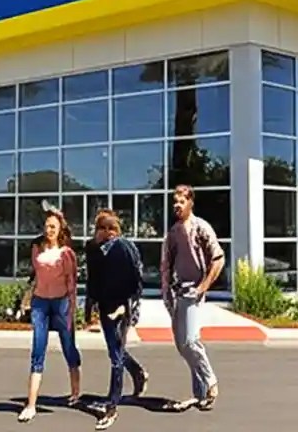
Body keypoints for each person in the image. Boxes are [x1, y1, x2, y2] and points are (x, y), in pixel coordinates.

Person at [159, 184, 224, 412]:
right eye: (175, 202)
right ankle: (200, 393)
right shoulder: (174, 232)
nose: (177, 205)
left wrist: (203, 287)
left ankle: (211, 382)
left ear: (190, 203)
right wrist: (166, 294)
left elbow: (218, 259)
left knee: (190, 341)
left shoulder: (201, 227)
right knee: (181, 345)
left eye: (181, 201)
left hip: (193, 292)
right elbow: (166, 265)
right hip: (177, 293)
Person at [84, 209, 149, 430]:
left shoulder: (123, 247)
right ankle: (138, 372)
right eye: (101, 228)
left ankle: (112, 405)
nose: (106, 233)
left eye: (110, 228)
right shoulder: (92, 248)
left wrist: (128, 305)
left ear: (116, 230)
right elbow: (93, 278)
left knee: (115, 356)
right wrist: (89, 305)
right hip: (104, 304)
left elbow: (136, 279)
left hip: (122, 306)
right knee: (115, 350)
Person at [18, 209, 82, 423]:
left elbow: (72, 285)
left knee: (68, 345)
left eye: (53, 226)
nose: (49, 230)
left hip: (61, 302)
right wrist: (26, 300)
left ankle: (75, 393)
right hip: (40, 303)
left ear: (60, 229)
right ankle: (31, 404)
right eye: (46, 226)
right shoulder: (36, 248)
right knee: (38, 348)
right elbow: (35, 276)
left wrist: (73, 310)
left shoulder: (67, 254)